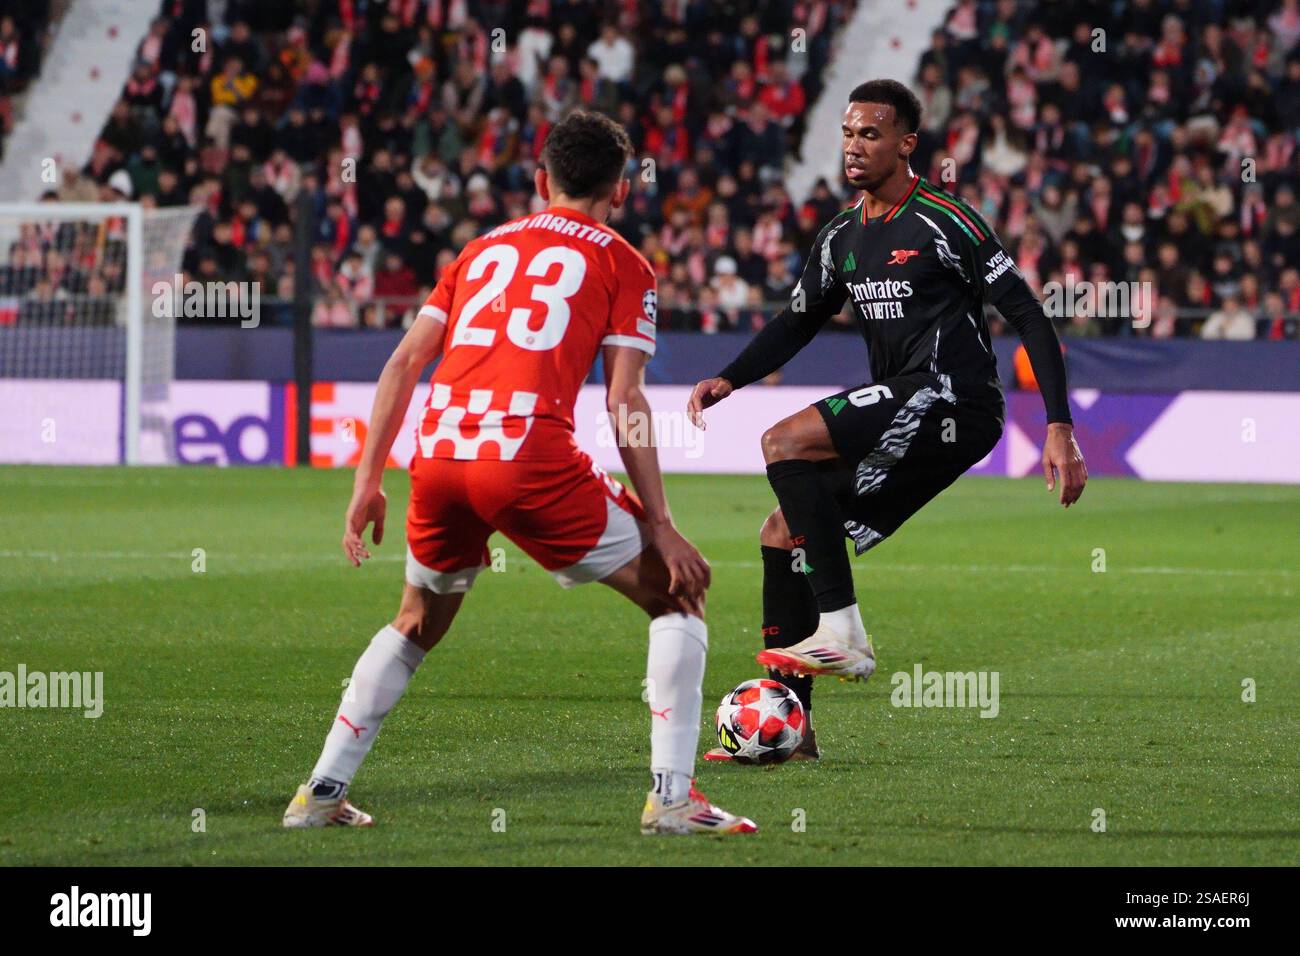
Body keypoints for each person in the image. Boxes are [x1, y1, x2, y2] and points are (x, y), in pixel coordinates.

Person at [284, 111, 754, 835]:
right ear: (622, 190)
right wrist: (661, 524)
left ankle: (318, 793)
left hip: (438, 458)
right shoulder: (625, 263)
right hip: (527, 459)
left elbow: (404, 363)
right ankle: (672, 798)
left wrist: (366, 482)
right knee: (678, 597)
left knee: (413, 622)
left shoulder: (478, 250)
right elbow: (624, 398)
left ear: (542, 181)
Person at [687, 80, 1088, 760]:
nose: (853, 146)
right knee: (783, 530)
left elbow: (1026, 314)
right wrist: (732, 375)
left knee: (783, 441)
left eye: (870, 134)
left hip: (954, 396)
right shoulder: (842, 236)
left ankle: (843, 629)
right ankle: (793, 733)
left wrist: (1058, 424)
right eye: (848, 133)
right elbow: (799, 319)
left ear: (906, 144)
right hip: (907, 404)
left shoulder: (945, 218)